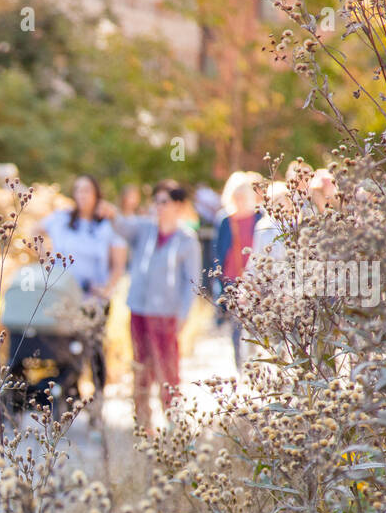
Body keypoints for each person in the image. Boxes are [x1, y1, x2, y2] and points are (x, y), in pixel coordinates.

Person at [100, 180, 201, 430]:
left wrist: (184, 316)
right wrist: (112, 212)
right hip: (139, 310)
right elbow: (122, 226)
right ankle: (143, 425)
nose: (158, 206)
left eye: (164, 201)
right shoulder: (144, 230)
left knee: (167, 371)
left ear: (178, 205)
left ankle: (173, 424)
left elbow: (192, 283)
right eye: (155, 201)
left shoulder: (187, 240)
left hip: (166, 314)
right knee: (140, 368)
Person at [38, 175, 128, 392]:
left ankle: (97, 402)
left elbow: (118, 264)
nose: (83, 195)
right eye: (78, 190)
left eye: (87, 190)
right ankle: (69, 398)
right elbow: (35, 232)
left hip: (95, 299)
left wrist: (106, 288)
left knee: (94, 349)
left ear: (97, 194)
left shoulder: (107, 225)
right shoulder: (62, 220)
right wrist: (47, 263)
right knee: (65, 349)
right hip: (66, 296)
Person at [212, 171, 264, 366]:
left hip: (256, 281)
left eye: (244, 196)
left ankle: (260, 367)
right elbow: (217, 254)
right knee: (237, 328)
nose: (240, 200)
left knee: (259, 326)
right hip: (233, 281)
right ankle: (242, 368)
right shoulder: (225, 221)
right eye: (237, 196)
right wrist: (220, 283)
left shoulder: (259, 218)